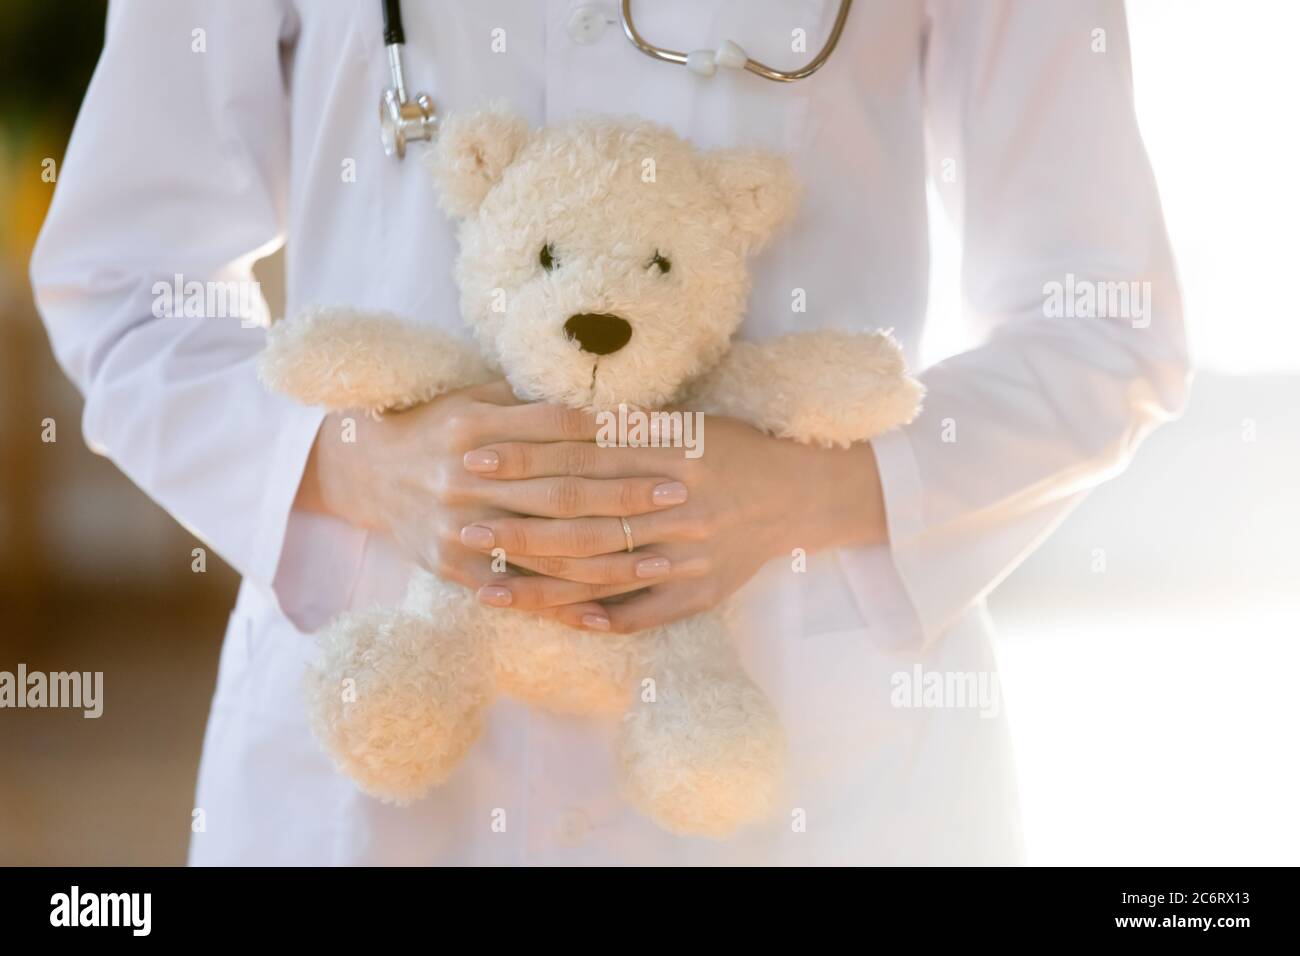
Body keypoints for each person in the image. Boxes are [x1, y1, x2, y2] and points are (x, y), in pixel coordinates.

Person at [30, 0, 1188, 865]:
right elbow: (121, 279)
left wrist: (815, 491)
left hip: (812, 732)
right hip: (380, 724)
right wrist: (356, 470)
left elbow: (1102, 322)